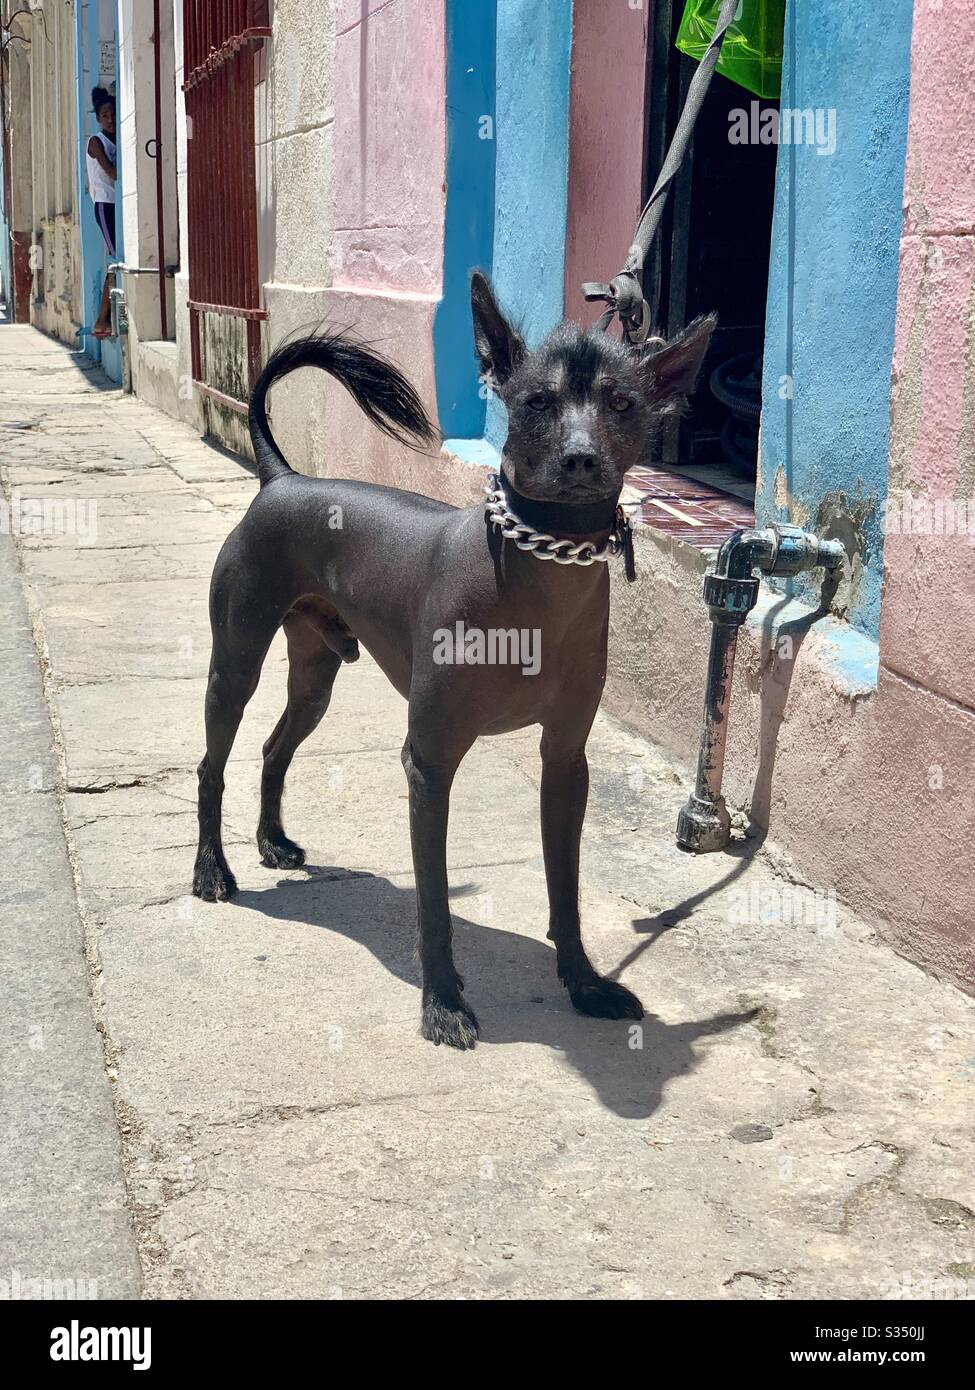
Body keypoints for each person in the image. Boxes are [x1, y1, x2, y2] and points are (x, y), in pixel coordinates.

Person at [86, 87, 117, 339]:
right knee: (116, 259)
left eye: (113, 115)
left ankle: (104, 320)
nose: (110, 119)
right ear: (98, 118)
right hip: (105, 206)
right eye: (105, 115)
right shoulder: (96, 142)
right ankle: (101, 319)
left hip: (119, 205)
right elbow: (113, 173)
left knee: (119, 259)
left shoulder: (116, 138)